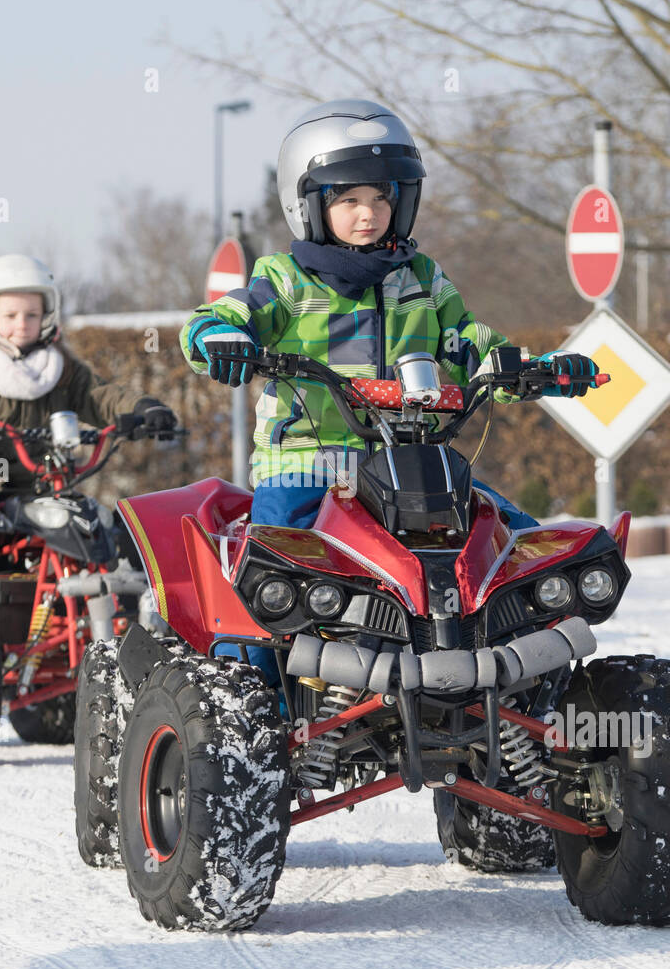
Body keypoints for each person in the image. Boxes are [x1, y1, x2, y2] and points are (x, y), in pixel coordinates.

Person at [180, 98, 598, 678]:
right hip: (307, 466)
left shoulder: (422, 279)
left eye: (383, 197)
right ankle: (254, 702)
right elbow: (225, 314)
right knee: (268, 578)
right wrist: (217, 337)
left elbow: (470, 340)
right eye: (348, 199)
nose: (368, 213)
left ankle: (538, 697)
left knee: (518, 548)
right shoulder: (285, 278)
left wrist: (530, 367)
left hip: (410, 468)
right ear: (308, 204)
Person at [0, 253, 176, 514]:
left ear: (46, 316)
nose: (22, 325)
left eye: (32, 315)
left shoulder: (61, 369)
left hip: (45, 480)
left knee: (95, 524)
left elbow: (101, 396)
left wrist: (142, 407)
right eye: (10, 315)